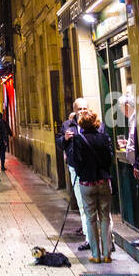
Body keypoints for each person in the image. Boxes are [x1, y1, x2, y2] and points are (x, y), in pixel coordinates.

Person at [64, 108, 114, 263]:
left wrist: (82, 173)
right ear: (95, 122)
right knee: (105, 217)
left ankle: (95, 254)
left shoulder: (78, 140)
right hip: (103, 181)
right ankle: (107, 253)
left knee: (90, 218)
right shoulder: (103, 137)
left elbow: (76, 161)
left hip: (87, 183)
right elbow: (109, 158)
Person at [57, 98, 90, 250]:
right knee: (83, 204)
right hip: (75, 168)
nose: (83, 111)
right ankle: (89, 238)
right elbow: (60, 144)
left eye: (85, 108)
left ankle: (106, 238)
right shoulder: (67, 125)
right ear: (75, 111)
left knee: (97, 206)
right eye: (80, 109)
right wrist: (64, 139)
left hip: (92, 169)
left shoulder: (94, 123)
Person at [120, 92, 139, 247]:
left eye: (122, 108)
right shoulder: (133, 119)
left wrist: (137, 164)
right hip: (136, 165)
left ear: (128, 106)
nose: (122, 112)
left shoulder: (137, 118)